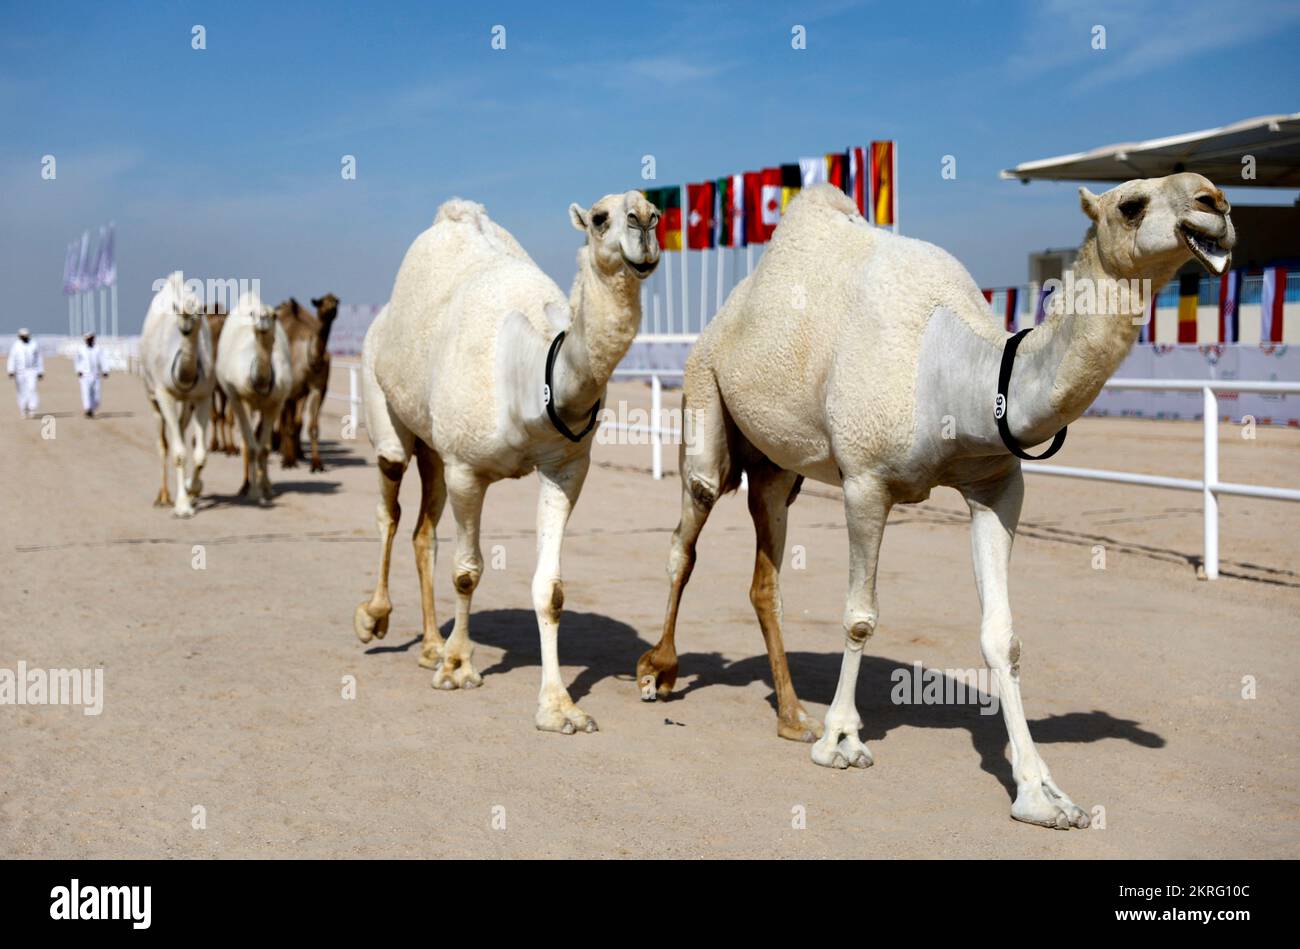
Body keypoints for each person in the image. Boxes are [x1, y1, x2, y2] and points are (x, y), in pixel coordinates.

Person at [6, 328, 44, 418]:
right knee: (21, 390)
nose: (24, 338)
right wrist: (11, 370)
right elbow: (12, 358)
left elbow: (39, 358)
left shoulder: (34, 344)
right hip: (19, 371)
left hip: (32, 370)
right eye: (22, 336)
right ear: (19, 337)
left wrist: (40, 371)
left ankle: (32, 407)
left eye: (25, 336)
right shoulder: (16, 345)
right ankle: (23, 408)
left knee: (32, 388)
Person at [75, 332, 110, 418]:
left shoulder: (98, 349)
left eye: (91, 339)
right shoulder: (81, 349)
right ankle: (88, 409)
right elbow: (77, 361)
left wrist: (105, 370)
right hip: (85, 375)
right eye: (87, 339)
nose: (89, 340)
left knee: (96, 394)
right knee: (86, 393)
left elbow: (103, 360)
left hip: (96, 375)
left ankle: (93, 408)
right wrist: (78, 370)